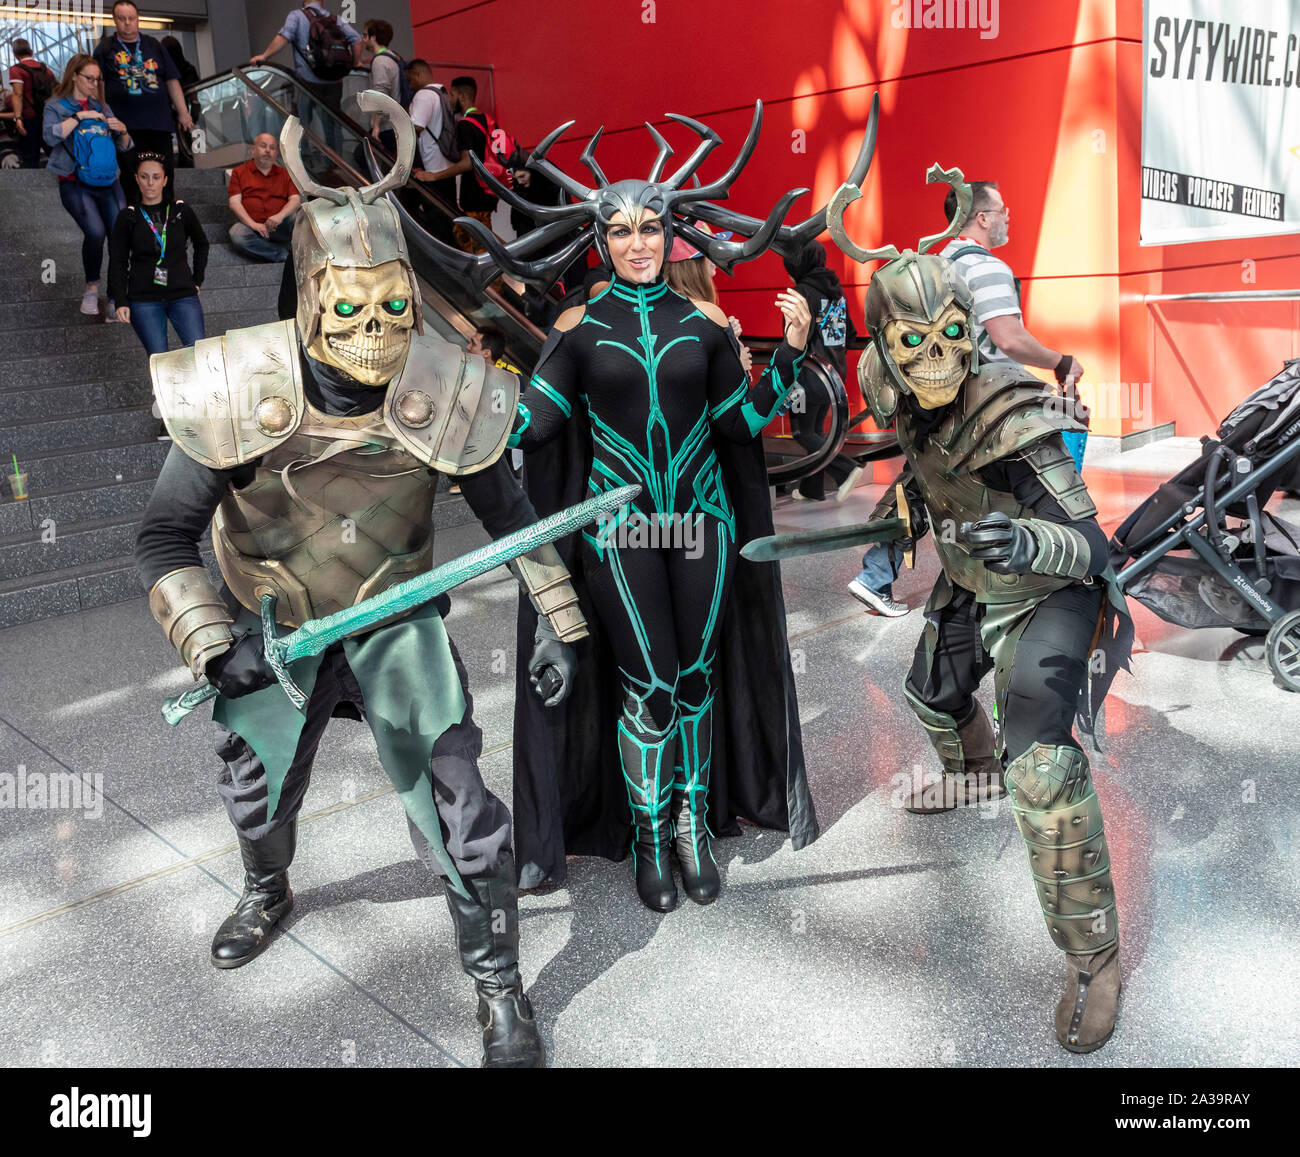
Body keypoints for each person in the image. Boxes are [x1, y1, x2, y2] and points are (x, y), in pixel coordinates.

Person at [133, 95, 583, 1068]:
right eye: (349, 304)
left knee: (461, 810)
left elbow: (514, 514)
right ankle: (267, 885)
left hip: (399, 622)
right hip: (274, 627)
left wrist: (558, 614)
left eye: (393, 302)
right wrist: (214, 643)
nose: (376, 326)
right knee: (255, 794)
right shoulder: (234, 386)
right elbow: (164, 537)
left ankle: (498, 987)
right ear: (307, 294)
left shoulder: (441, 384)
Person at [425, 105, 833, 912]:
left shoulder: (706, 323)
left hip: (703, 525)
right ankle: (648, 836)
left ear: (671, 232)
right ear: (600, 240)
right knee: (645, 683)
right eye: (621, 231)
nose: (638, 243)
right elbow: (536, 427)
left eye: (651, 228)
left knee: (693, 680)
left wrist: (787, 361)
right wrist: (457, 398)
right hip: (622, 531)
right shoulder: (577, 328)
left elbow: (736, 428)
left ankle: (689, 826)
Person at [828, 174, 1130, 1053]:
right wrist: (909, 514)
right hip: (970, 572)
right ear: (887, 346)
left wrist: (1027, 542)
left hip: (1047, 588)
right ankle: (974, 771)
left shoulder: (1012, 406)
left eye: (950, 337)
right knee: (930, 695)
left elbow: (1095, 550)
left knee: (1043, 763)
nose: (933, 361)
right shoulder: (890, 385)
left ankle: (1094, 955)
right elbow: (924, 463)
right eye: (911, 344)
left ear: (969, 326)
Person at [42, 54, 133, 319]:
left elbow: (124, 146)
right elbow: (49, 137)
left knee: (119, 234)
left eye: (98, 79)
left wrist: (124, 130)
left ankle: (117, 299)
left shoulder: (103, 106)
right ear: (74, 76)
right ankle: (91, 289)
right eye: (89, 79)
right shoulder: (57, 105)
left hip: (108, 180)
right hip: (74, 181)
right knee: (95, 232)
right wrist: (79, 116)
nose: (94, 84)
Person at [783, 240, 863, 503]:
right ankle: (811, 489)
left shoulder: (800, 293)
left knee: (803, 432)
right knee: (814, 429)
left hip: (805, 376)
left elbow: (793, 340)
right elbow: (849, 333)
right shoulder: (835, 290)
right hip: (832, 375)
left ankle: (846, 469)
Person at [108, 153, 208, 362]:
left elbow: (202, 243)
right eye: (144, 177)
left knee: (199, 353)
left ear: (165, 180)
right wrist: (120, 299)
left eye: (156, 177)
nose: (150, 183)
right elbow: (117, 260)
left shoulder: (181, 210)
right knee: (159, 360)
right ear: (136, 178)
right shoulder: (128, 216)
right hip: (144, 299)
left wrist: (197, 280)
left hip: (182, 294)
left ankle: (194, 395)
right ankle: (161, 395)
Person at [94, 1, 192, 205]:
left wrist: (183, 112)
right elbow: (96, 86)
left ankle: (167, 219)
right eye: (122, 19)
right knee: (132, 176)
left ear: (138, 19)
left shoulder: (154, 45)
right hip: (125, 126)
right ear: (115, 21)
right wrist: (101, 115)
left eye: (132, 18)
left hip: (158, 124)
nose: (127, 23)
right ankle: (136, 221)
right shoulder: (105, 49)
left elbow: (172, 80)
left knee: (164, 174)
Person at [250, 1, 362, 157]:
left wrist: (264, 56)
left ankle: (305, 162)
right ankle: (335, 166)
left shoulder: (297, 16)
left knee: (301, 124)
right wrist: (355, 64)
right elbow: (357, 40)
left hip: (307, 83)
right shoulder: (335, 19)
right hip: (334, 83)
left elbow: (283, 37)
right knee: (333, 124)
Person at [412, 75, 498, 253]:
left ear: (462, 97)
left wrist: (434, 175)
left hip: (473, 195)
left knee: (477, 246)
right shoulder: (487, 119)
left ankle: (489, 280)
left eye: (452, 95)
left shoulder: (465, 124)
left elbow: (467, 163)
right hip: (488, 192)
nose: (449, 100)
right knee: (474, 238)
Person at [227, 132, 300, 262]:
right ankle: (282, 255)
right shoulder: (239, 172)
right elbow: (234, 203)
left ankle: (302, 253)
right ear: (253, 150)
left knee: (301, 218)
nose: (268, 150)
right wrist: (253, 224)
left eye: (272, 148)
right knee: (236, 233)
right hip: (253, 227)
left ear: (276, 153)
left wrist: (279, 216)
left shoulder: (285, 174)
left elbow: (295, 200)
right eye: (263, 146)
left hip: (280, 224)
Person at [355, 19, 404, 164]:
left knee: (361, 157)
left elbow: (381, 95)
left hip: (386, 126)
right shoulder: (393, 57)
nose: (363, 40)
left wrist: (376, 127)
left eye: (365, 35)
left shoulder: (380, 61)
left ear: (373, 37)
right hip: (396, 124)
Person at [8, 39, 56, 169]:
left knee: (30, 158)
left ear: (15, 53)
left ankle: (32, 188)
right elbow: (55, 90)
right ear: (31, 50)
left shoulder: (16, 70)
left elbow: (18, 94)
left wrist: (18, 118)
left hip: (29, 118)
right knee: (53, 154)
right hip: (47, 117)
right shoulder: (46, 69)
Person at [160, 36, 200, 167]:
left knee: (167, 149)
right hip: (188, 114)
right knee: (189, 146)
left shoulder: (162, 72)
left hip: (167, 115)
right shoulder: (189, 69)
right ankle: (191, 164)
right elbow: (195, 96)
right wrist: (193, 113)